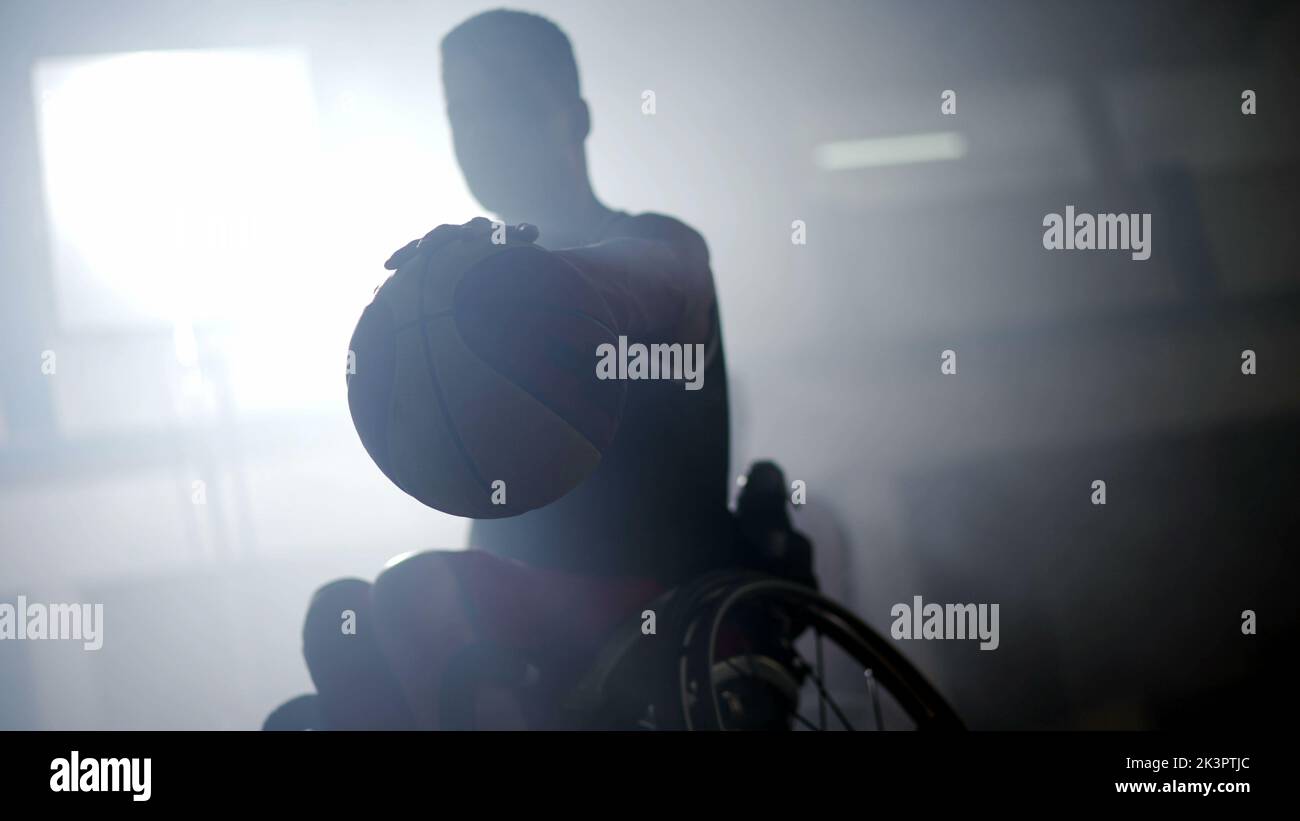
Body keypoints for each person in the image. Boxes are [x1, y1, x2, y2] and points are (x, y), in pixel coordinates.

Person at [291, 10, 801, 730]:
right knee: (335, 631)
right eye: (460, 112)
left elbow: (654, 281)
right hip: (528, 629)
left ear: (577, 117)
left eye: (502, 101)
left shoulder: (660, 246)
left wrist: (505, 284)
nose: (479, 131)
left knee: (413, 590)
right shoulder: (465, 307)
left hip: (660, 610)